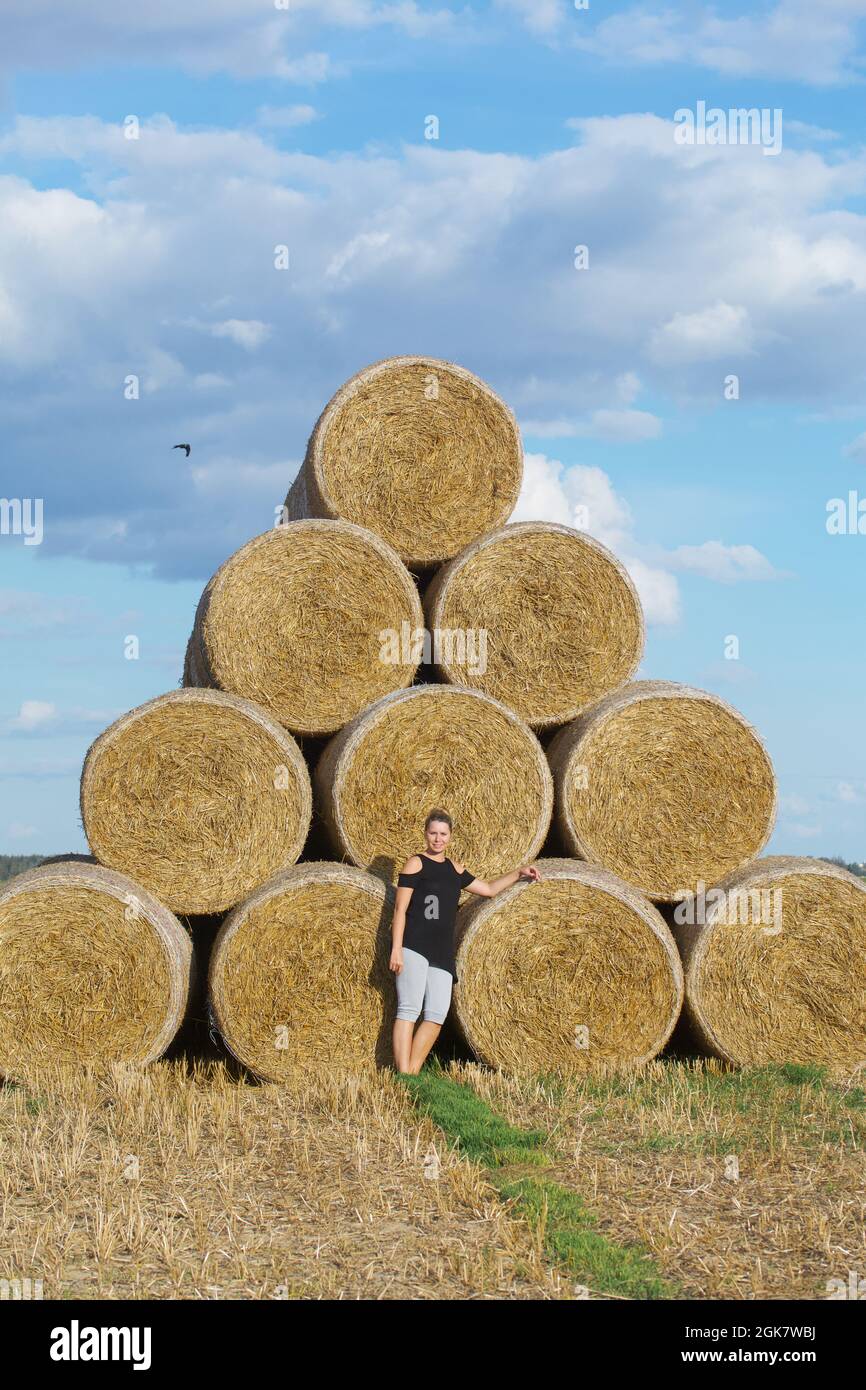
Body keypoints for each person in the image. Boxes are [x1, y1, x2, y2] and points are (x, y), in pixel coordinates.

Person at [390, 807, 542, 1075]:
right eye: (433, 833)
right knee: (409, 1009)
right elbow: (400, 909)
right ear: (425, 834)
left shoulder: (455, 869)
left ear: (450, 837)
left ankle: (411, 1072)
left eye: (443, 834)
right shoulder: (416, 863)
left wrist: (519, 872)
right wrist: (396, 949)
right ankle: (403, 1073)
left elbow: (489, 890)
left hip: (442, 951)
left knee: (436, 1014)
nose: (438, 839)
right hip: (414, 945)